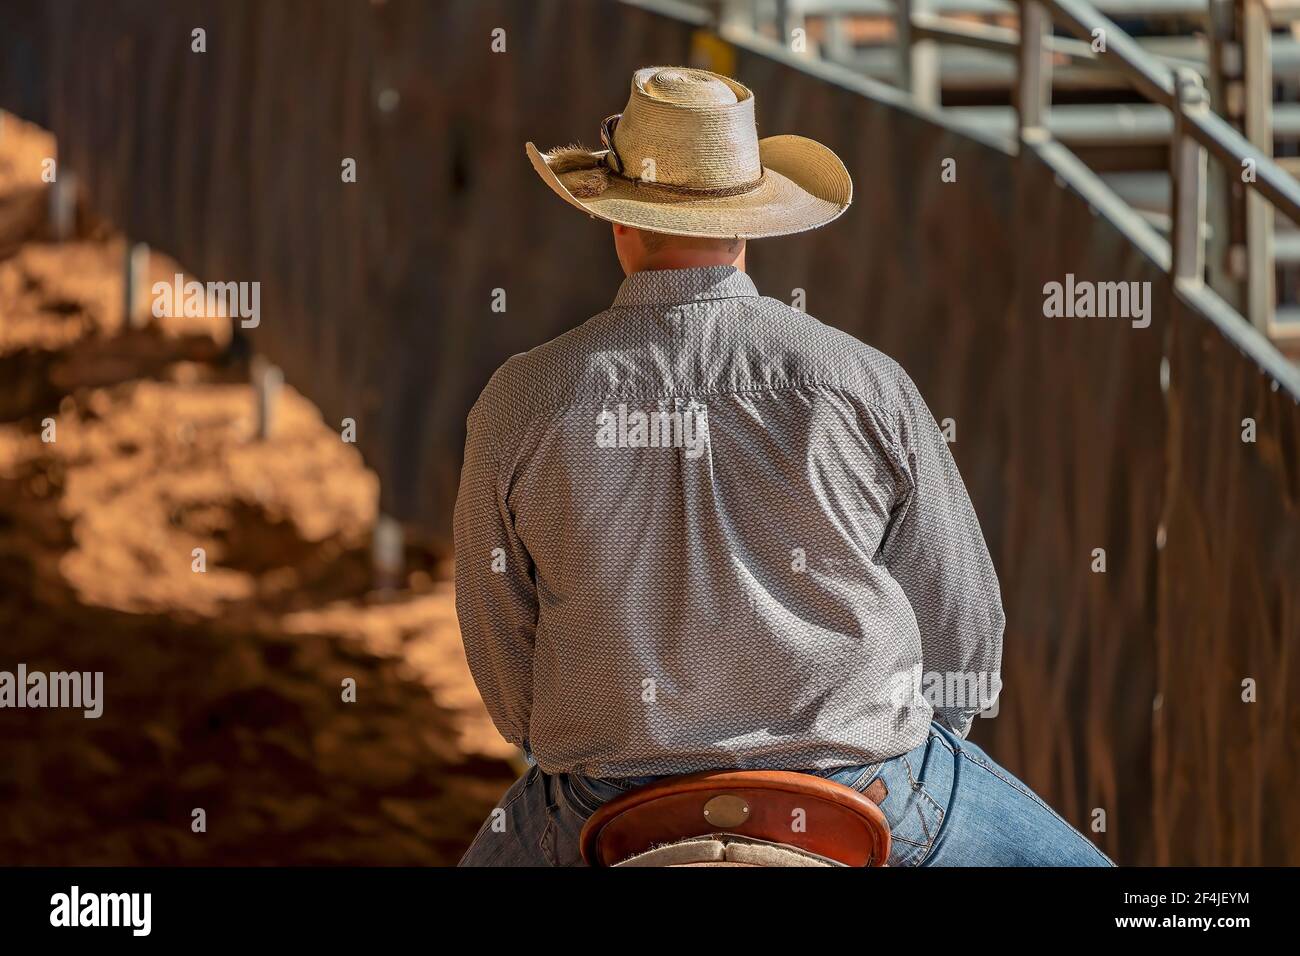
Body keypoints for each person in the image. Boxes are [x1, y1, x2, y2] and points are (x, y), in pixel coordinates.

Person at [454, 66, 1111, 867]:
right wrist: (902, 743)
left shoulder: (521, 399)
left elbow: (501, 652)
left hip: (609, 803)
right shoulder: (862, 379)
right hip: (865, 790)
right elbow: (963, 624)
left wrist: (581, 740)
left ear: (616, 222)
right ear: (750, 224)